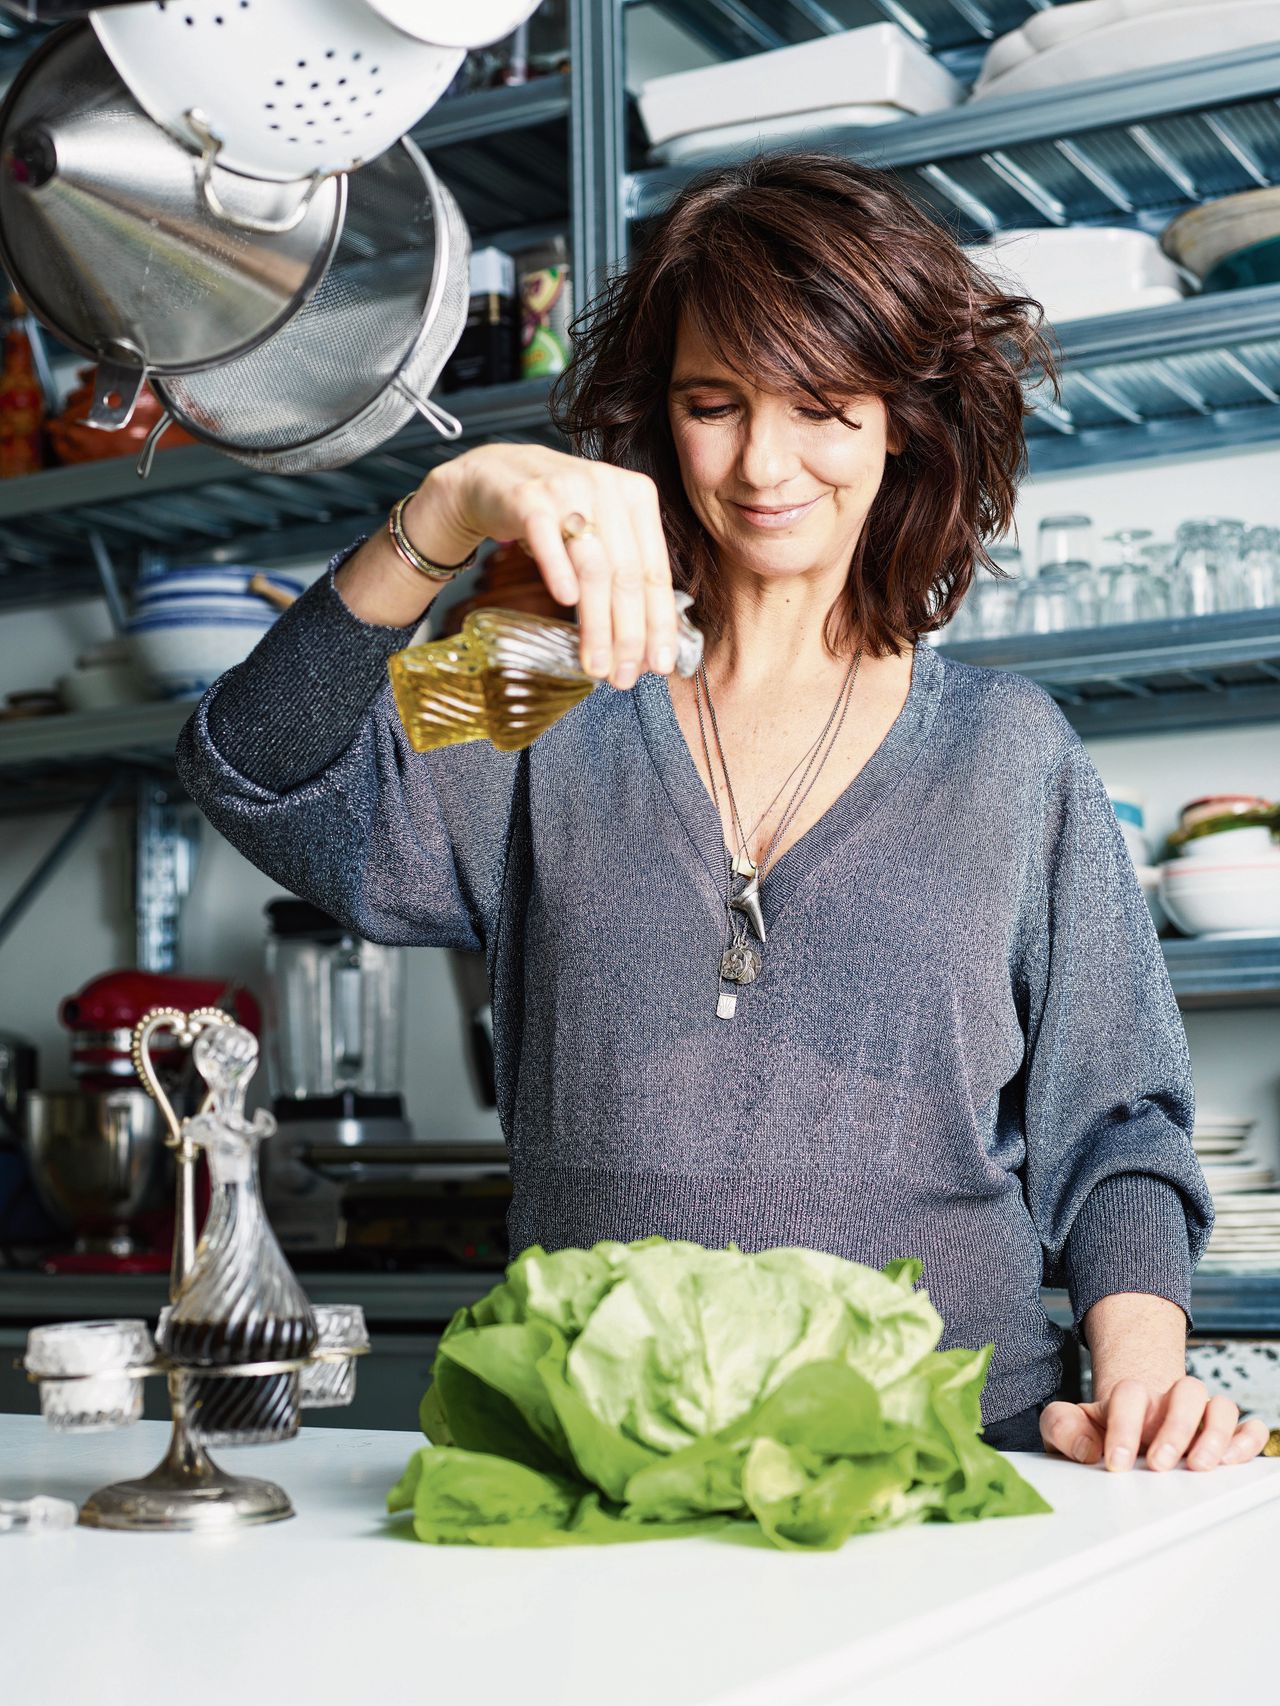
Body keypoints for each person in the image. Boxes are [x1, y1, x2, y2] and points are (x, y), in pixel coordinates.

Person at [177, 151, 1266, 1474]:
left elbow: (1120, 1122)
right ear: (659, 421)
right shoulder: (542, 691)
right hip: (594, 1451)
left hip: (947, 1456)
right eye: (713, 403)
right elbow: (258, 773)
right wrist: (440, 516)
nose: (763, 462)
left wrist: (1144, 1381)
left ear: (900, 421)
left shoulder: (1009, 752)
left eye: (822, 405)